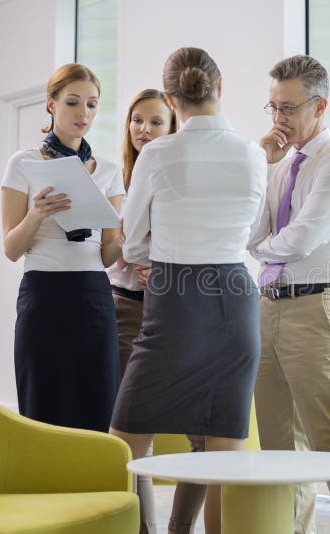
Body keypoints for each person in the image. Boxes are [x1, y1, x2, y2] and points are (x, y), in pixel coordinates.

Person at [110, 47, 267, 534]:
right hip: (236, 298)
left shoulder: (158, 154)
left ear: (171, 99)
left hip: (174, 299)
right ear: (220, 89)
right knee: (225, 458)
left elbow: (132, 243)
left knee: (123, 444)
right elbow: (253, 232)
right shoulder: (253, 154)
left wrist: (158, 249)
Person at [248, 55, 330, 534]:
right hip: (268, 309)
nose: (278, 119)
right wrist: (262, 165)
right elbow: (250, 231)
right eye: (273, 107)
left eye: (289, 108)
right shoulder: (279, 167)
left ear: (320, 106)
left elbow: (300, 239)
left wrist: (261, 247)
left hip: (317, 309)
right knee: (280, 454)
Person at [1, 63, 124, 432]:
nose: (83, 113)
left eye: (91, 104)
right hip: (44, 296)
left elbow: (107, 254)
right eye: (72, 102)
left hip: (93, 297)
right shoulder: (23, 163)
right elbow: (11, 248)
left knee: (98, 410)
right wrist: (38, 213)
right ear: (51, 104)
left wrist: (125, 238)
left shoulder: (108, 170)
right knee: (42, 410)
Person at [108, 88, 207, 534]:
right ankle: (142, 529)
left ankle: (179, 528)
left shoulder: (184, 181)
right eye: (137, 121)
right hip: (126, 311)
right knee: (132, 436)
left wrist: (166, 267)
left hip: (180, 311)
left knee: (203, 434)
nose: (144, 130)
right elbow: (110, 251)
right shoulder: (115, 181)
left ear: (173, 128)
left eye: (155, 122)